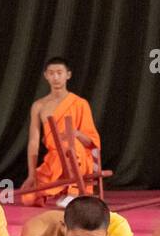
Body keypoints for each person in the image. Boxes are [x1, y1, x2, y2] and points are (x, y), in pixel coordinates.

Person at [19, 57, 102, 206]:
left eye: (59, 72)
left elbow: (92, 141)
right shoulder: (39, 106)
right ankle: (61, 191)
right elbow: (33, 141)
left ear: (68, 75)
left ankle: (73, 192)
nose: (55, 77)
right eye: (51, 73)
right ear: (46, 76)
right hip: (55, 159)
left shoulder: (80, 103)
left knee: (72, 145)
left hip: (78, 157)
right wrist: (31, 175)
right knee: (28, 198)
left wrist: (76, 134)